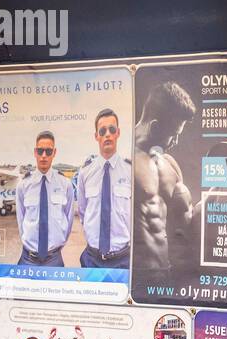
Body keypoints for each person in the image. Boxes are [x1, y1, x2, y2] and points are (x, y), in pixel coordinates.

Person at [133, 82, 198, 271]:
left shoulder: (170, 165)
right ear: (154, 128)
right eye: (173, 135)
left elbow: (184, 228)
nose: (176, 142)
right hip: (135, 283)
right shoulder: (122, 165)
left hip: (166, 279)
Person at [76, 108, 133, 269]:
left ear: (118, 133)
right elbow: (83, 211)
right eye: (102, 130)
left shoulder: (130, 171)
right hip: (92, 260)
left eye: (112, 129)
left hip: (122, 260)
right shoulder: (85, 172)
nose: (107, 134)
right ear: (96, 136)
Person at [16, 130, 74, 266]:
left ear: (54, 153)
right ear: (35, 152)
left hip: (54, 258)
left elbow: (69, 218)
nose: (44, 156)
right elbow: (20, 220)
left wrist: (58, 246)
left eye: (48, 151)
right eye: (40, 151)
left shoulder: (65, 184)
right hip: (28, 259)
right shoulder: (23, 185)